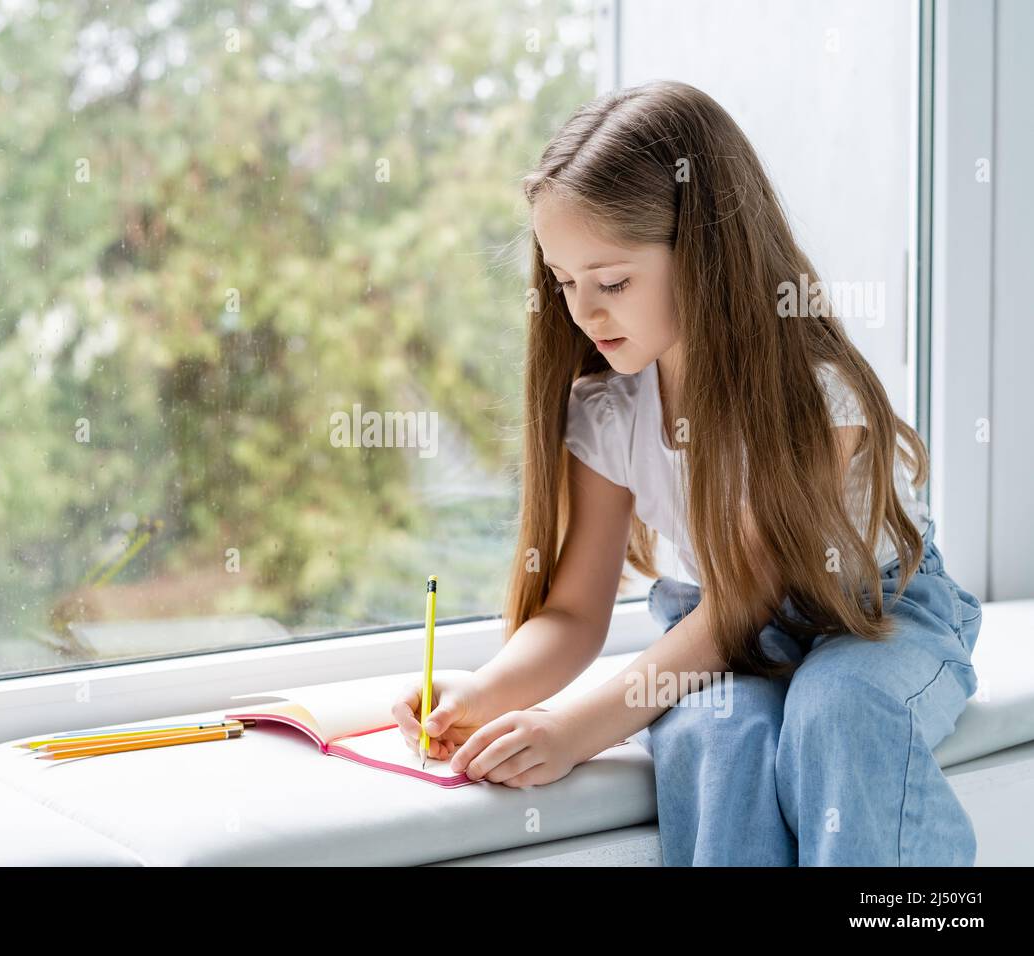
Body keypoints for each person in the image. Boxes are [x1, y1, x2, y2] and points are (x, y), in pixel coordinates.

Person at [391, 79, 983, 866]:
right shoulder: (606, 411)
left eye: (613, 282)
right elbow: (573, 614)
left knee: (842, 708)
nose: (583, 314)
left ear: (705, 253)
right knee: (717, 735)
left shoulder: (815, 398)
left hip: (874, 617)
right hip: (720, 629)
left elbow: (748, 599)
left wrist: (574, 729)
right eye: (565, 283)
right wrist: (485, 690)